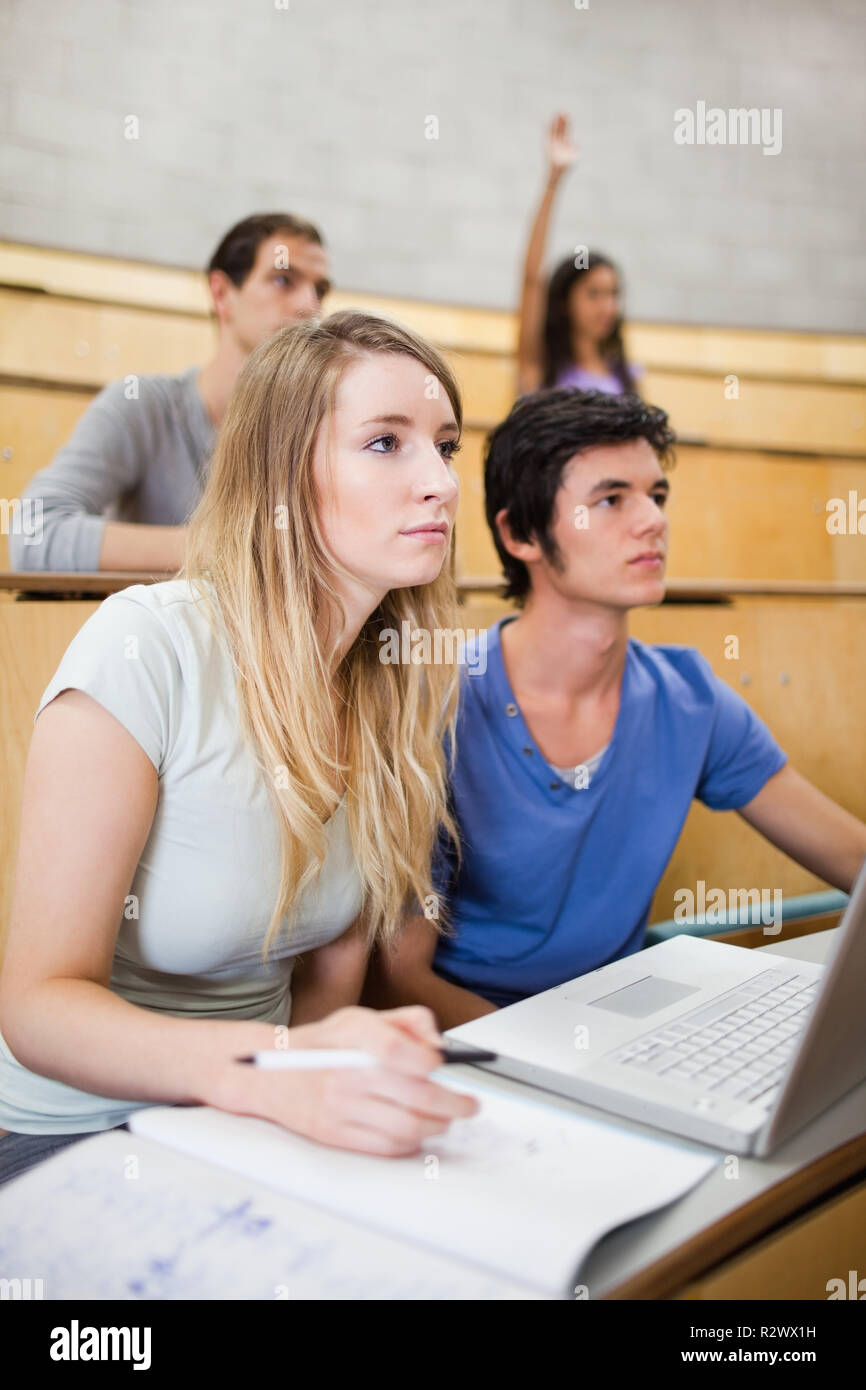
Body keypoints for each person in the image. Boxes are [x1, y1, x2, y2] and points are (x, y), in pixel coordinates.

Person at [0, 309, 480, 1189]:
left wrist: (310, 1087)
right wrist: (279, 1072)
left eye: (446, 447)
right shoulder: (147, 646)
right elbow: (36, 1010)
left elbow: (331, 967)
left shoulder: (398, 681)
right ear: (284, 475)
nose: (440, 483)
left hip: (242, 1122)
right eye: (386, 443)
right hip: (65, 1137)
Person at [365, 388, 866, 1026]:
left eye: (655, 496)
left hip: (625, 1027)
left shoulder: (690, 697)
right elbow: (398, 982)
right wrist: (564, 1065)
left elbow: (853, 857)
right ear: (521, 532)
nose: (653, 520)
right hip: (473, 1048)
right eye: (610, 500)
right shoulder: (435, 706)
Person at [9, 212, 332, 573]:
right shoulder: (140, 407)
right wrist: (232, 546)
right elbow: (35, 533)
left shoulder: (322, 429)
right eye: (283, 279)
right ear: (222, 294)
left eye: (319, 290)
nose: (310, 306)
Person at [516, 113, 642, 398]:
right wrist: (553, 181)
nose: (607, 306)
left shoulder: (625, 375)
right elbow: (532, 280)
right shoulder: (541, 366)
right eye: (593, 294)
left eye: (613, 294)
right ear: (565, 302)